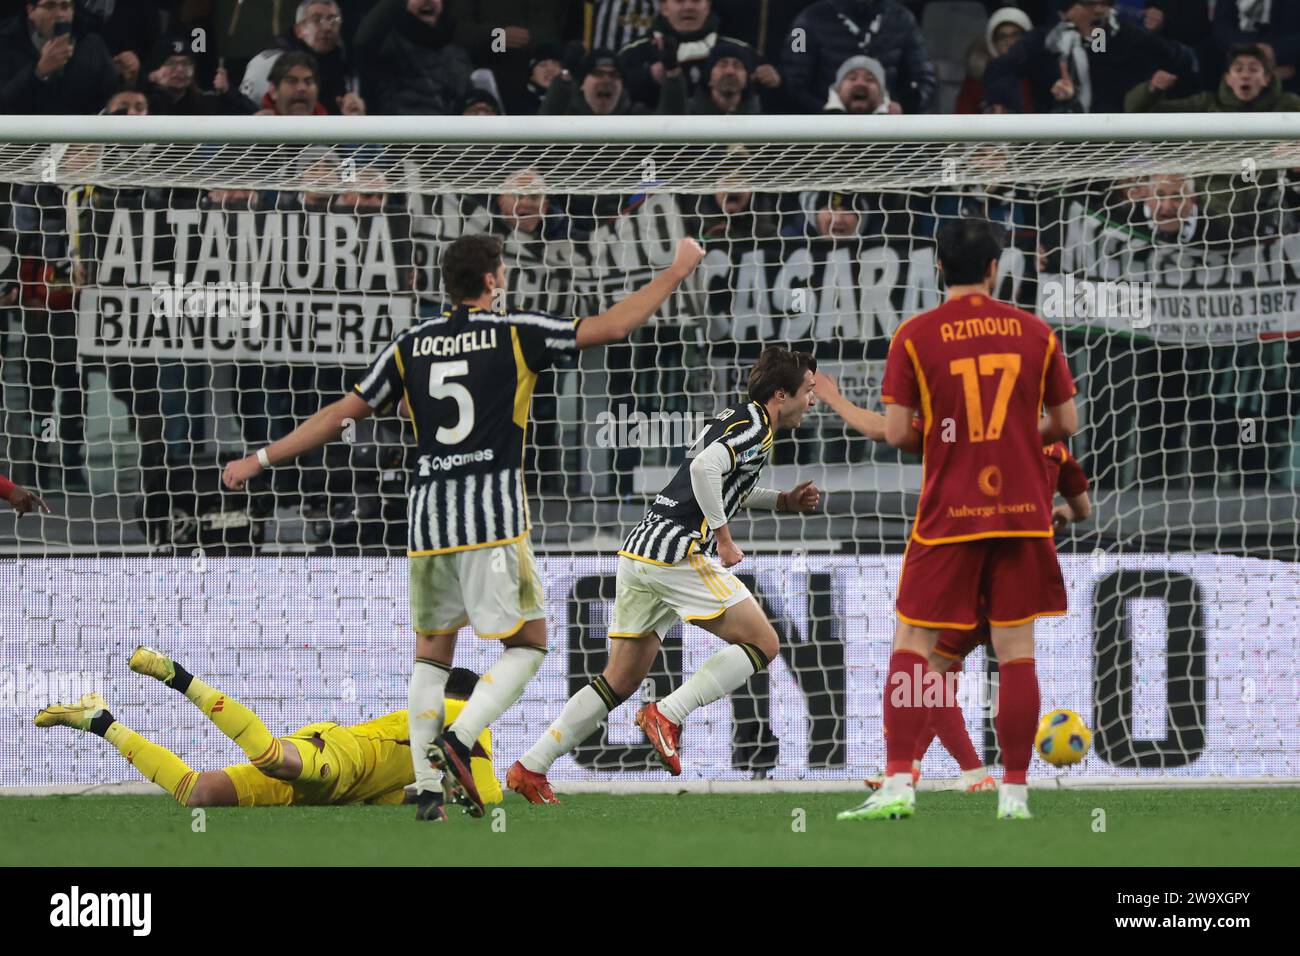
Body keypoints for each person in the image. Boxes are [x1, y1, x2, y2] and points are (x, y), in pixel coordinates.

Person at [221, 232, 706, 820]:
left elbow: (339, 414)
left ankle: (427, 786)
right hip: (493, 521)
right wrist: (678, 269)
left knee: (432, 656)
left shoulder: (411, 344)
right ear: (493, 280)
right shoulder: (515, 333)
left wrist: (259, 459)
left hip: (427, 523)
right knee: (528, 645)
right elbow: (611, 327)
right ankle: (461, 735)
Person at [836, 218, 1079, 822]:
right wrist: (1012, 435)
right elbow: (1065, 425)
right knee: (1016, 650)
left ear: (937, 267)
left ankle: (897, 784)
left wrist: (957, 440)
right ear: (996, 269)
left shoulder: (915, 336)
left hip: (951, 516)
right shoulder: (1035, 332)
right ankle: (1015, 795)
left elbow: (896, 433)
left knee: (914, 644)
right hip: (1022, 515)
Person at [508, 347, 822, 803]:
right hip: (677, 551)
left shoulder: (742, 419)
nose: (812, 400)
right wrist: (724, 538)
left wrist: (782, 503)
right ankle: (668, 713)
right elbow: (703, 468)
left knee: (620, 679)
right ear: (781, 394)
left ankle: (529, 767)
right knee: (763, 643)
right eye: (808, 391)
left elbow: (728, 480)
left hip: (641, 550)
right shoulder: (755, 425)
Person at [34, 647, 500, 816]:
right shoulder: (465, 713)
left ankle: (100, 721)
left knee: (196, 794)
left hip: (338, 786)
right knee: (272, 756)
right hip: (346, 757)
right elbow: (489, 795)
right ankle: (176, 675)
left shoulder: (425, 725)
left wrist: (418, 796)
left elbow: (391, 794)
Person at [782, 0, 936, 115]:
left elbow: (925, 78)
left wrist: (903, 107)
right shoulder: (805, 23)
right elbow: (792, 81)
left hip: (886, 131)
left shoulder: (903, 19)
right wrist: (826, 113)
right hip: (823, 133)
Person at [0, 0, 118, 115]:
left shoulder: (92, 44)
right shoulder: (6, 43)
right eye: (50, 5)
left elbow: (111, 98)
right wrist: (38, 72)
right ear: (31, 10)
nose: (60, 14)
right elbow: (5, 103)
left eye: (65, 6)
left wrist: (127, 79)